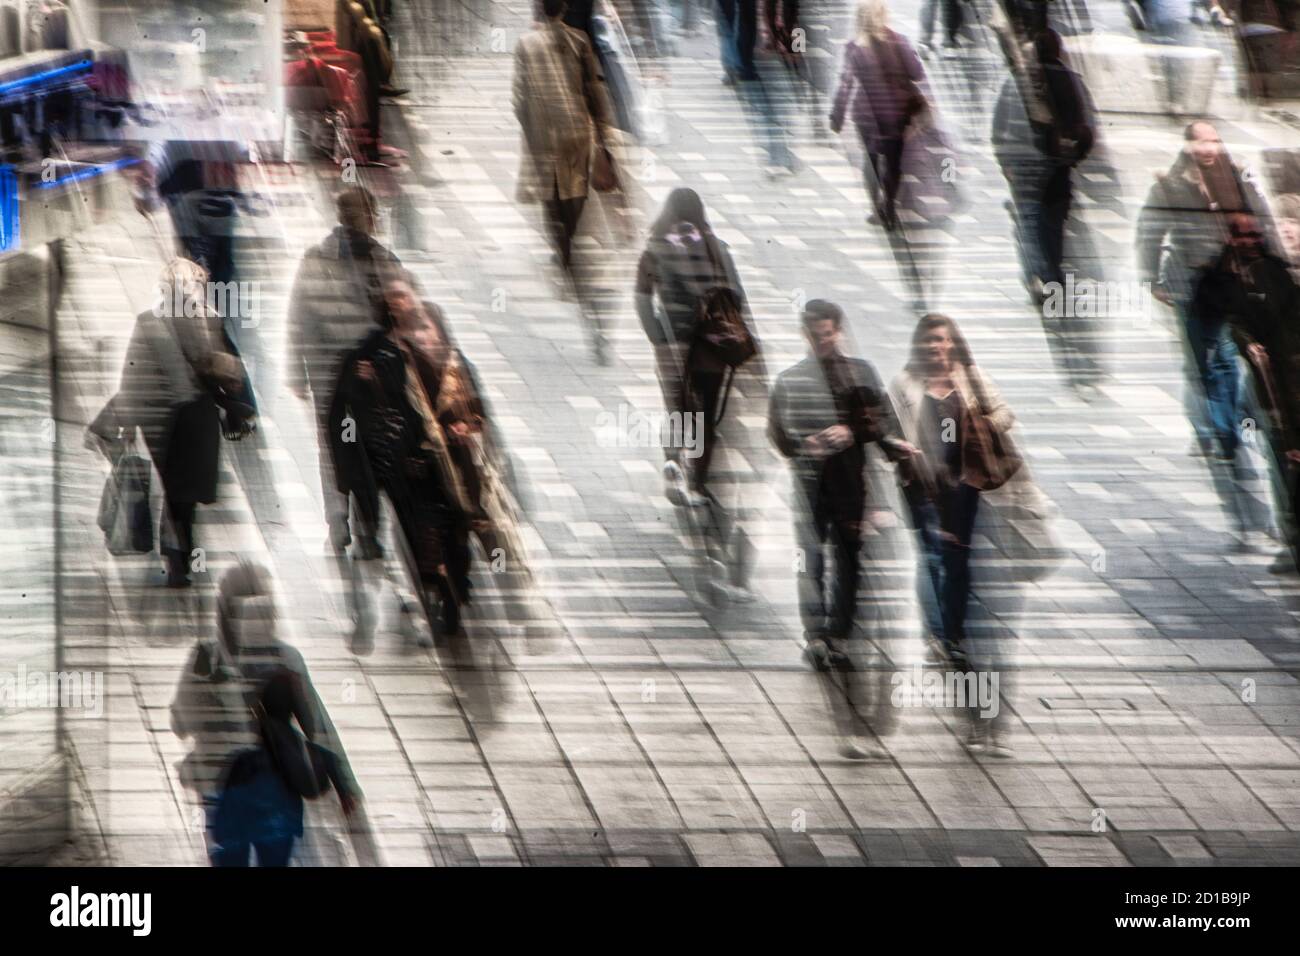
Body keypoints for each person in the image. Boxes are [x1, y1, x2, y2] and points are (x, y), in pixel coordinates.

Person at [330, 274, 521, 642]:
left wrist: (469, 426)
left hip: (453, 466)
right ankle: (435, 588)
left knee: (455, 530)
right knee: (424, 534)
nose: (400, 305)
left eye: (405, 297)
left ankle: (455, 588)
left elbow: (471, 401)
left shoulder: (445, 352)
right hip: (409, 466)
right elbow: (350, 410)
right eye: (393, 299)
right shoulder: (371, 355)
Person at [768, 302, 917, 758]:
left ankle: (838, 630)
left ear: (840, 331)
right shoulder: (791, 380)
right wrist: (807, 444)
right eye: (816, 335)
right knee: (812, 557)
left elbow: (884, 422)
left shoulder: (862, 372)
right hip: (812, 486)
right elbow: (777, 434)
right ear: (805, 335)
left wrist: (852, 434)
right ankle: (818, 634)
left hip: (852, 485)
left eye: (830, 333)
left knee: (849, 556)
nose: (824, 341)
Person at [889, 314, 1022, 755]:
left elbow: (1005, 414)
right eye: (928, 340)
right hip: (926, 495)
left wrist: (984, 427)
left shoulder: (973, 378)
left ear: (953, 344)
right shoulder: (905, 384)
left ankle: (980, 709)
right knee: (935, 564)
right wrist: (898, 448)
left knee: (966, 590)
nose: (935, 347)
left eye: (942, 340)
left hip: (971, 496)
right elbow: (888, 432)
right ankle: (942, 637)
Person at [111, 259, 254, 587]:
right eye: (196, 283)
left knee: (176, 489)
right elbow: (224, 368)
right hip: (193, 415)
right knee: (184, 493)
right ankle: (179, 553)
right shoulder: (207, 319)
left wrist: (129, 421)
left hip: (163, 418)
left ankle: (177, 553)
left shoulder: (150, 321)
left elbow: (133, 374)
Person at [1137, 121, 1270, 467]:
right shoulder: (1169, 186)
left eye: (1214, 141)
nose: (1209, 148)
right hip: (1190, 285)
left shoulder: (1237, 178)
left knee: (1225, 355)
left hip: (1231, 282)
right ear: (1187, 146)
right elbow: (1149, 232)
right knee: (1199, 362)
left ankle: (1225, 431)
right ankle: (1208, 427)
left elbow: (1263, 222)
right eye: (1201, 142)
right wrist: (1150, 277)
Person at [287, 186, 400, 554]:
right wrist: (296, 370)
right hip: (335, 373)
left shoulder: (381, 261)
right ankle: (345, 524)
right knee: (346, 446)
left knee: (354, 446)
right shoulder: (326, 259)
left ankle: (357, 525)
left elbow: (398, 318)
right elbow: (299, 317)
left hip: (358, 373)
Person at [636, 188, 752, 506]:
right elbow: (737, 295)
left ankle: (672, 459)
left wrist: (656, 335)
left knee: (676, 407)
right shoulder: (716, 248)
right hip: (710, 345)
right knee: (706, 413)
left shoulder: (654, 250)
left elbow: (642, 298)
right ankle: (697, 483)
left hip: (671, 341)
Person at [1197, 213, 1300, 569]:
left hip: (1286, 383)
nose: (1251, 241)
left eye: (1255, 234)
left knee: (1285, 460)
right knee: (1281, 460)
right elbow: (1230, 319)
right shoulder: (1236, 275)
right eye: (1243, 235)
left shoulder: (1273, 274)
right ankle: (1290, 538)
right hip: (1273, 387)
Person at [512, 0, 616, 275]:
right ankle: (569, 233)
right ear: (564, 9)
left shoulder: (526, 43)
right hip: (576, 128)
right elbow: (593, 89)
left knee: (551, 192)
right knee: (576, 189)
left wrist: (528, 126)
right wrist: (602, 128)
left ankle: (561, 242)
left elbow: (518, 96)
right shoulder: (579, 40)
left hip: (543, 132)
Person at [830, 0, 929, 232]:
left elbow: (846, 84)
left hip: (866, 114)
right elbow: (917, 73)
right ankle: (889, 207)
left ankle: (876, 207)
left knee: (871, 160)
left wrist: (837, 115)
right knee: (894, 162)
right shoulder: (899, 41)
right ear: (885, 15)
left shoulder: (854, 47)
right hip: (896, 113)